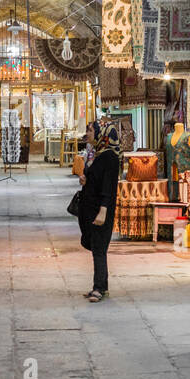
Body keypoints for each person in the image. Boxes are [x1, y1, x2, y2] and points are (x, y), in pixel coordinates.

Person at [78, 119, 121, 303]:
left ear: (102, 134)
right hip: (92, 208)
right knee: (96, 247)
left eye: (90, 130)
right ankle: (101, 286)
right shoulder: (97, 154)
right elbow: (95, 179)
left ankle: (99, 288)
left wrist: (103, 211)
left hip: (100, 210)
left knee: (99, 249)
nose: (87, 133)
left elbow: (108, 188)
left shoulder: (109, 157)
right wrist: (85, 179)